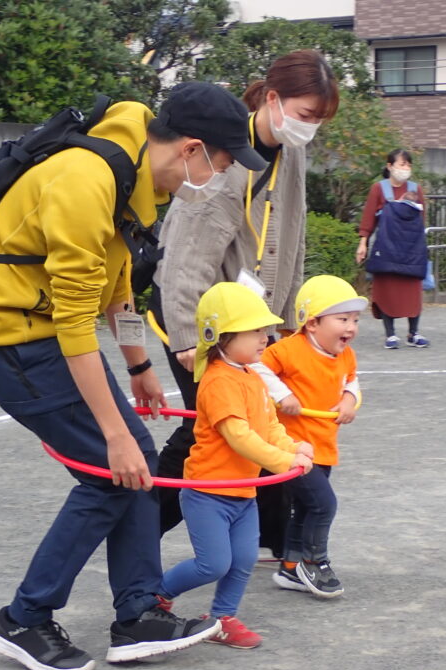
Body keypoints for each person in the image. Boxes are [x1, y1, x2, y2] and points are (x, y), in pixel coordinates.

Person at [0, 81, 268, 670]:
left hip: (42, 333)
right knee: (110, 473)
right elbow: (74, 318)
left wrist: (140, 366)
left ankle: (139, 615)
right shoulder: (87, 179)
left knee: (135, 468)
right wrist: (115, 432)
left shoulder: (129, 176)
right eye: (222, 164)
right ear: (193, 149)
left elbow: (118, 283)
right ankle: (24, 618)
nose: (216, 178)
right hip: (8, 339)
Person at [151, 49, 341, 539]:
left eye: (318, 120)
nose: (310, 127)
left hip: (249, 321)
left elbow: (292, 234)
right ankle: (141, 528)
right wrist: (191, 337)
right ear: (272, 99)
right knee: (212, 427)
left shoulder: (291, 150)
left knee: (262, 416)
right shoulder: (224, 151)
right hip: (198, 317)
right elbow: (187, 255)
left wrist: (289, 320)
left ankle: (275, 541)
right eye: (305, 115)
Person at [159, 283, 313, 649]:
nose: (265, 337)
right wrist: (285, 461)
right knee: (213, 564)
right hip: (207, 493)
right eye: (255, 330)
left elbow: (269, 425)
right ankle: (155, 595)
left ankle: (223, 618)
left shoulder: (250, 376)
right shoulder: (217, 382)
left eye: (264, 330)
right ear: (220, 336)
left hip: (243, 492)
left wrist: (293, 445)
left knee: (243, 560)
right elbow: (239, 437)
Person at [252, 275, 365, 598]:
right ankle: (315, 562)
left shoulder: (346, 356)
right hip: (292, 448)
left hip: (323, 446)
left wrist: (348, 399)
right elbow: (256, 367)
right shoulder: (289, 349)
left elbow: (352, 382)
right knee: (323, 504)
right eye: (342, 319)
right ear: (312, 323)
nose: (351, 327)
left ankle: (290, 567)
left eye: (355, 320)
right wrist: (282, 394)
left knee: (305, 507)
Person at [356, 149, 430, 350]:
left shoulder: (416, 190)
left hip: (411, 249)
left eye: (408, 165)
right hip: (386, 248)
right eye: (401, 164)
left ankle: (413, 333)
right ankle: (390, 335)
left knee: (413, 290)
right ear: (389, 166)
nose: (405, 168)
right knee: (387, 289)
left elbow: (421, 222)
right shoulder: (379, 189)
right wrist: (362, 243)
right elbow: (369, 218)